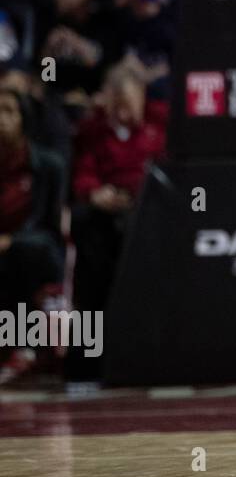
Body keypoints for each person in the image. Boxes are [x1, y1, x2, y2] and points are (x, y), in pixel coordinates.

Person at [67, 63, 166, 379]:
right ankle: (85, 366)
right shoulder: (93, 131)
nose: (124, 114)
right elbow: (82, 175)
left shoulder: (159, 124)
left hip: (148, 216)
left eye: (130, 105)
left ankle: (150, 359)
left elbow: (172, 173)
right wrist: (96, 193)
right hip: (105, 215)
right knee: (87, 236)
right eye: (117, 106)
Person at [0, 87, 66, 386]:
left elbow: (53, 228)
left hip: (32, 250)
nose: (0, 119)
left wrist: (12, 241)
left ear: (23, 119)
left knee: (29, 254)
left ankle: (30, 349)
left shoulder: (48, 165)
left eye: (7, 111)